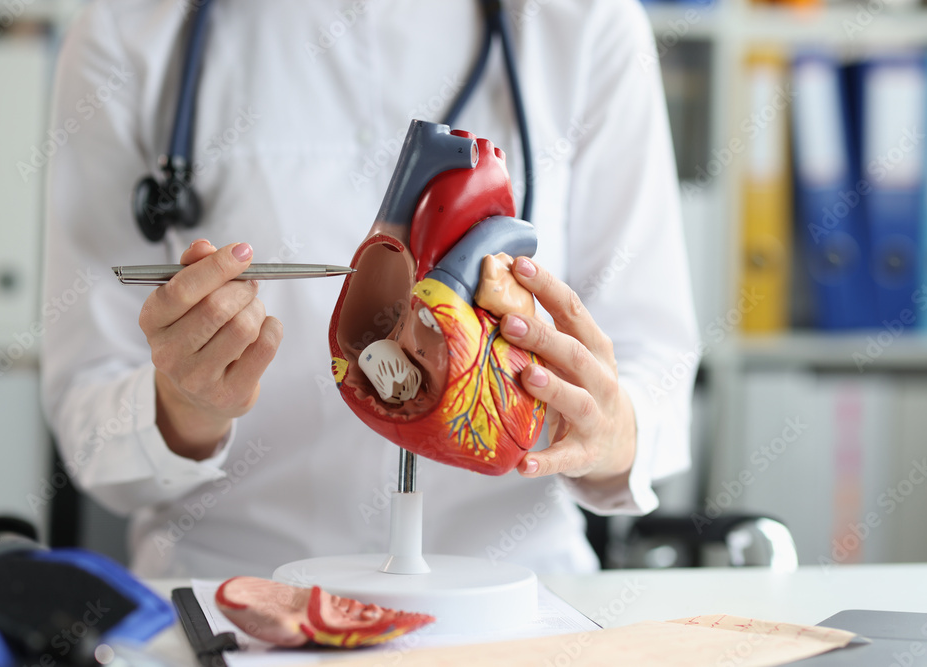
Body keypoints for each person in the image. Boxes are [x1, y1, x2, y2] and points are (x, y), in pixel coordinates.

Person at [41, 0, 699, 578]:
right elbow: (89, 411)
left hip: (518, 603)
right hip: (232, 603)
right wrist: (184, 409)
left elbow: (657, 366)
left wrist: (608, 426)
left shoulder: (584, 23)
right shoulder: (127, 33)